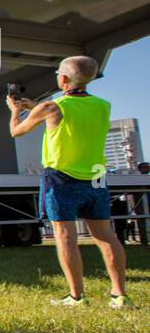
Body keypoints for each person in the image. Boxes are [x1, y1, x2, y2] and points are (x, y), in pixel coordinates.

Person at [8, 55, 128, 308]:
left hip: (63, 178)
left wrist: (16, 111)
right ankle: (119, 295)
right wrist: (35, 107)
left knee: (64, 237)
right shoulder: (103, 105)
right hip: (96, 177)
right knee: (106, 236)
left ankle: (76, 296)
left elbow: (16, 132)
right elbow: (72, 116)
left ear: (62, 78)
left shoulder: (52, 107)